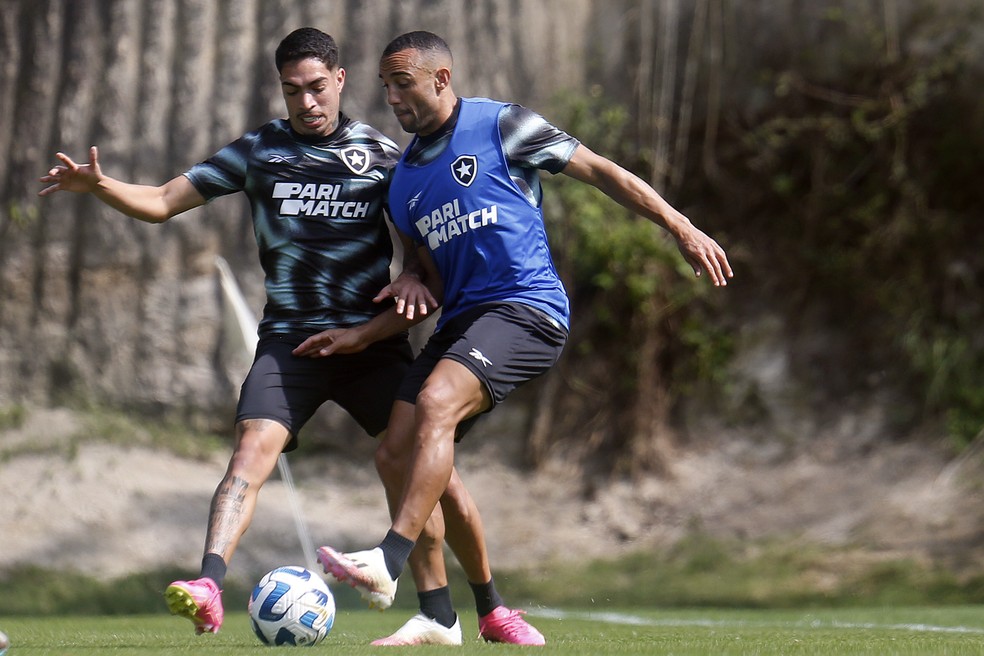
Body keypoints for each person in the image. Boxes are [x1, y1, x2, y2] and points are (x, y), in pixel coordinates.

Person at [38, 27, 544, 646]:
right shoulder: (259, 151)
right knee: (251, 452)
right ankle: (207, 586)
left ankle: (490, 608)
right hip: (289, 343)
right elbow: (165, 200)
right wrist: (102, 187)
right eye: (291, 91)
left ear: (339, 82)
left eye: (315, 88)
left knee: (432, 474)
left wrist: (381, 316)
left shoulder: (386, 158)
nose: (306, 102)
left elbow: (423, 267)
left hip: (371, 344)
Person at [314, 28, 734, 629]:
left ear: (441, 78)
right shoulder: (402, 182)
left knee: (435, 404)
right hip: (461, 323)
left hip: (526, 309)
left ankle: (388, 557)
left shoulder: (501, 125)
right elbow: (426, 281)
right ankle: (452, 617)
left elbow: (602, 171)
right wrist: (399, 291)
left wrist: (680, 226)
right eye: (385, 87)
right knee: (395, 454)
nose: (392, 99)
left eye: (402, 83)